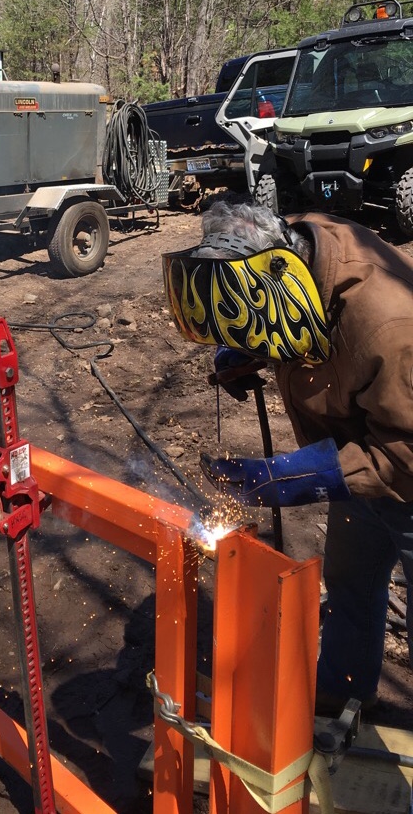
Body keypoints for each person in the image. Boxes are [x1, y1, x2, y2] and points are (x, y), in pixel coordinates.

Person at [162, 200, 413, 715]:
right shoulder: (293, 242)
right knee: (351, 584)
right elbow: (288, 312)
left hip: (403, 461)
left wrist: (303, 478)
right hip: (361, 460)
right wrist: (250, 347)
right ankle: (337, 699)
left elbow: (404, 452)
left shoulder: (389, 328)